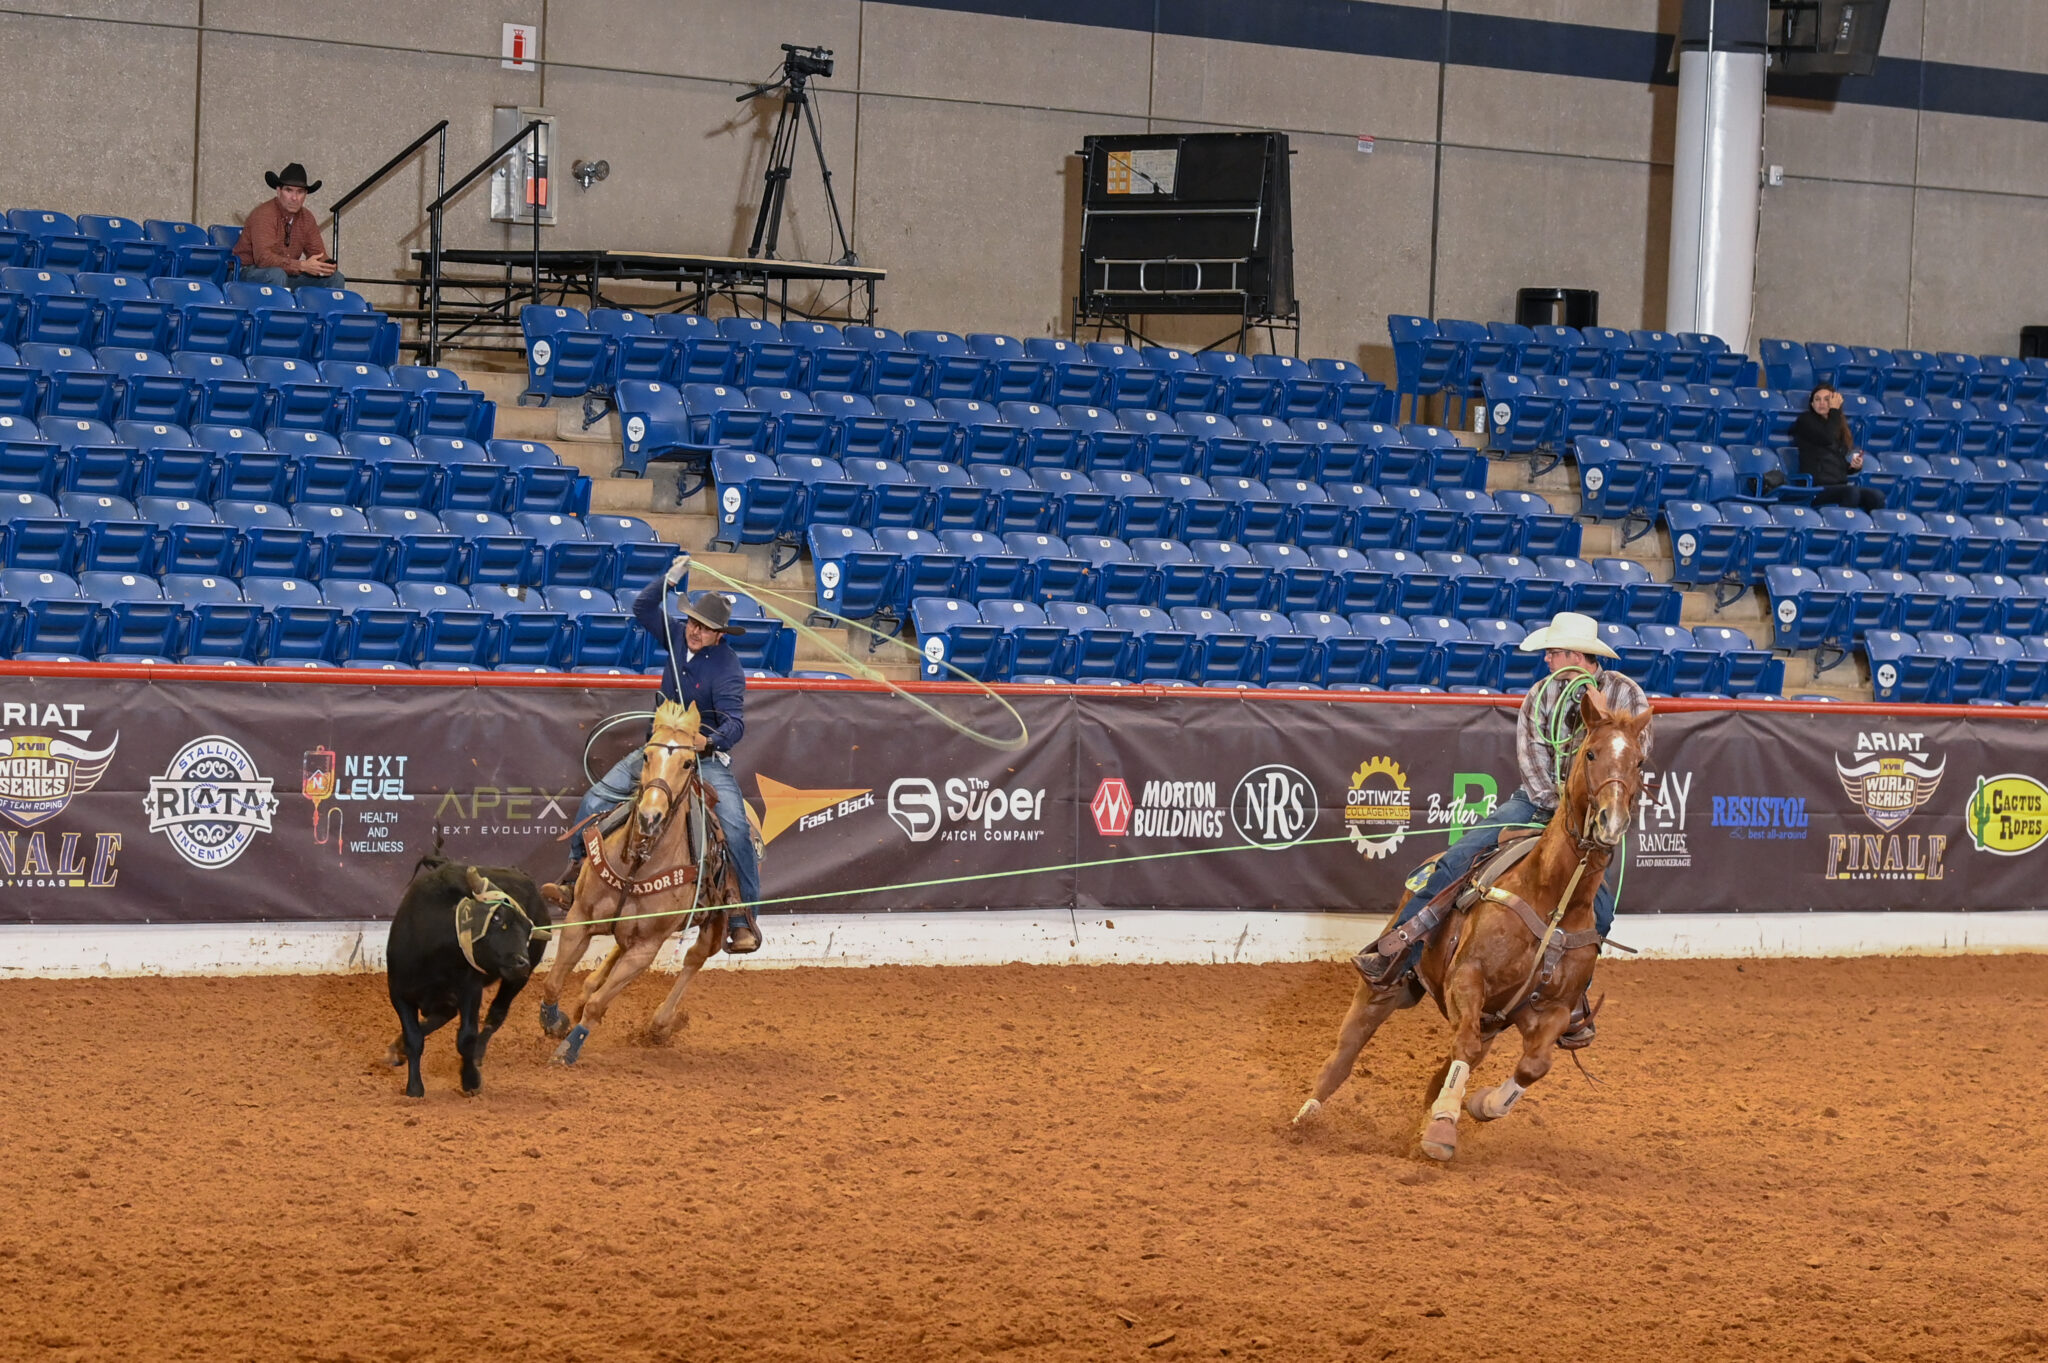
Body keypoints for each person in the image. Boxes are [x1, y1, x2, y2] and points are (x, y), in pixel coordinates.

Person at [1352, 611, 1652, 1047]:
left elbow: (1631, 759)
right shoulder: (1540, 696)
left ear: (1575, 656)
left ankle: (1574, 998)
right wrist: (1557, 816)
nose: (1548, 661)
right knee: (1458, 858)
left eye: (1553, 653)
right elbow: (1532, 762)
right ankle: (1399, 949)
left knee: (1599, 910)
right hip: (1537, 805)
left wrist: (1583, 816)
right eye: (1550, 654)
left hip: (1592, 823)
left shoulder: (1627, 694)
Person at [549, 553, 764, 953]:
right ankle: (573, 874)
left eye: (705, 628)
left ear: (721, 635)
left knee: (734, 827)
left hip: (702, 760)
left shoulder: (728, 669)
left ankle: (742, 916)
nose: (695, 631)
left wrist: (707, 741)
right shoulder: (677, 634)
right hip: (659, 751)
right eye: (694, 623)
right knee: (596, 798)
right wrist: (668, 579)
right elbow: (643, 607)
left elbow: (735, 725)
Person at [232, 162, 345, 293]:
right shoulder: (264, 214)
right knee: (276, 275)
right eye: (289, 190)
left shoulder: (306, 217)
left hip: (286, 273)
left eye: (300, 192)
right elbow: (263, 259)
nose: (294, 198)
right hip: (247, 271)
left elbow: (317, 253)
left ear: (305, 195)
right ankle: (278, 313)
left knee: (335, 278)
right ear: (278, 191)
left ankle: (324, 314)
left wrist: (325, 265)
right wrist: (302, 266)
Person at [1788, 384, 1884, 511]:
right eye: (1817, 399)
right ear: (1812, 404)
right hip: (1816, 487)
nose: (1822, 403)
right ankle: (1843, 528)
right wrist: (1834, 411)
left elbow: (1835, 460)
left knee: (1877, 496)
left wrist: (1852, 467)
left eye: (1827, 399)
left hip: (1837, 485)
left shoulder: (1837, 427)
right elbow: (1826, 438)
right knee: (1851, 492)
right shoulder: (1805, 420)